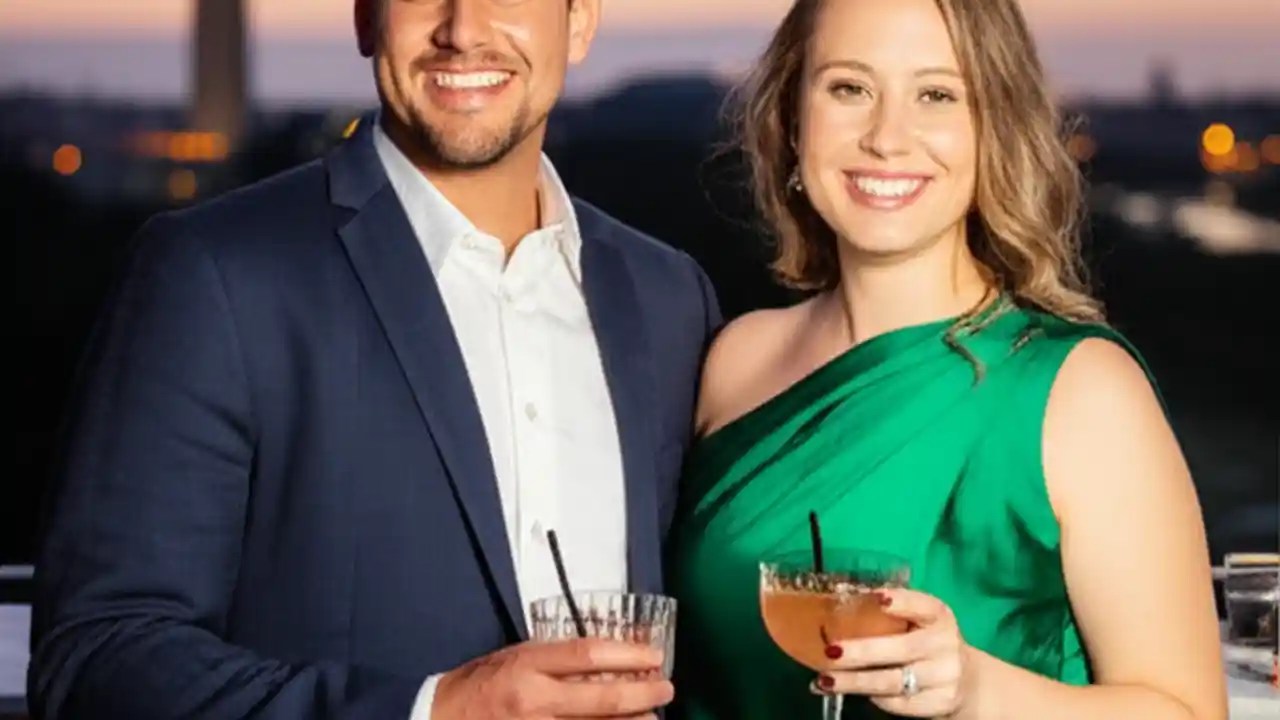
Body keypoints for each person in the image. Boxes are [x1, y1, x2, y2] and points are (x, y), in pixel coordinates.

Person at [29, 0, 720, 718]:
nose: (463, 29)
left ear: (579, 21)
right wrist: (434, 709)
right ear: (365, 18)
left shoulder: (668, 298)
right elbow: (98, 657)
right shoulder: (214, 274)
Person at [667, 0, 1226, 718]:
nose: (887, 138)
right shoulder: (736, 360)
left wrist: (974, 688)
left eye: (936, 94)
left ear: (994, 127)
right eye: (849, 89)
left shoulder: (1081, 390)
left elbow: (1188, 711)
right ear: (790, 118)